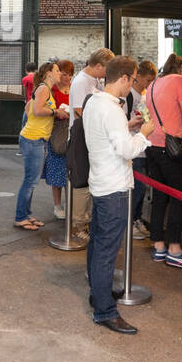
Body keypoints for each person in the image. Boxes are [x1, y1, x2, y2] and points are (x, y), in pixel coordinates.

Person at [83, 55, 154, 335]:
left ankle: (97, 294)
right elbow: (126, 151)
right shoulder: (111, 109)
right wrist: (145, 133)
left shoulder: (94, 103)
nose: (133, 85)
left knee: (97, 246)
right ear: (124, 78)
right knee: (106, 252)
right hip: (114, 187)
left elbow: (106, 138)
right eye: (133, 79)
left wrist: (129, 128)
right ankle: (104, 311)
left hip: (100, 183)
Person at [143, 53, 182, 268]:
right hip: (170, 148)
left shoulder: (154, 83)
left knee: (159, 196)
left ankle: (158, 246)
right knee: (178, 196)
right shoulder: (178, 81)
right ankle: (174, 249)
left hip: (152, 146)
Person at [68, 48, 113, 235]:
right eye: (106, 69)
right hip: (81, 139)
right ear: (97, 65)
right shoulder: (81, 82)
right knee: (81, 184)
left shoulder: (94, 80)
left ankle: (85, 222)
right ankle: (78, 224)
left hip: (90, 138)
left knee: (88, 183)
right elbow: (79, 111)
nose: (107, 73)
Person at [15, 61, 62, 231]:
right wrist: (55, 112)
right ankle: (20, 217)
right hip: (33, 140)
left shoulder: (43, 89)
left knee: (31, 180)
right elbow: (36, 110)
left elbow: (29, 108)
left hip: (36, 139)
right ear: (48, 73)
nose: (60, 73)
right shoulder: (43, 89)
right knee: (30, 181)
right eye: (57, 70)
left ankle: (26, 214)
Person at [127, 59, 156, 239]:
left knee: (141, 187)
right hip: (134, 147)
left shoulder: (145, 95)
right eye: (147, 81)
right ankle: (130, 221)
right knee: (137, 187)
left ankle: (136, 218)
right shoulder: (129, 96)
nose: (149, 85)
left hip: (144, 146)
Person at [44, 59, 75, 219]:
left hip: (72, 133)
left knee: (71, 171)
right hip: (57, 133)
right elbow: (46, 110)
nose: (67, 77)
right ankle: (57, 205)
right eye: (64, 74)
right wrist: (57, 112)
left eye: (70, 74)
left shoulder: (74, 89)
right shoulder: (52, 90)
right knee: (56, 171)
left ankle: (71, 204)